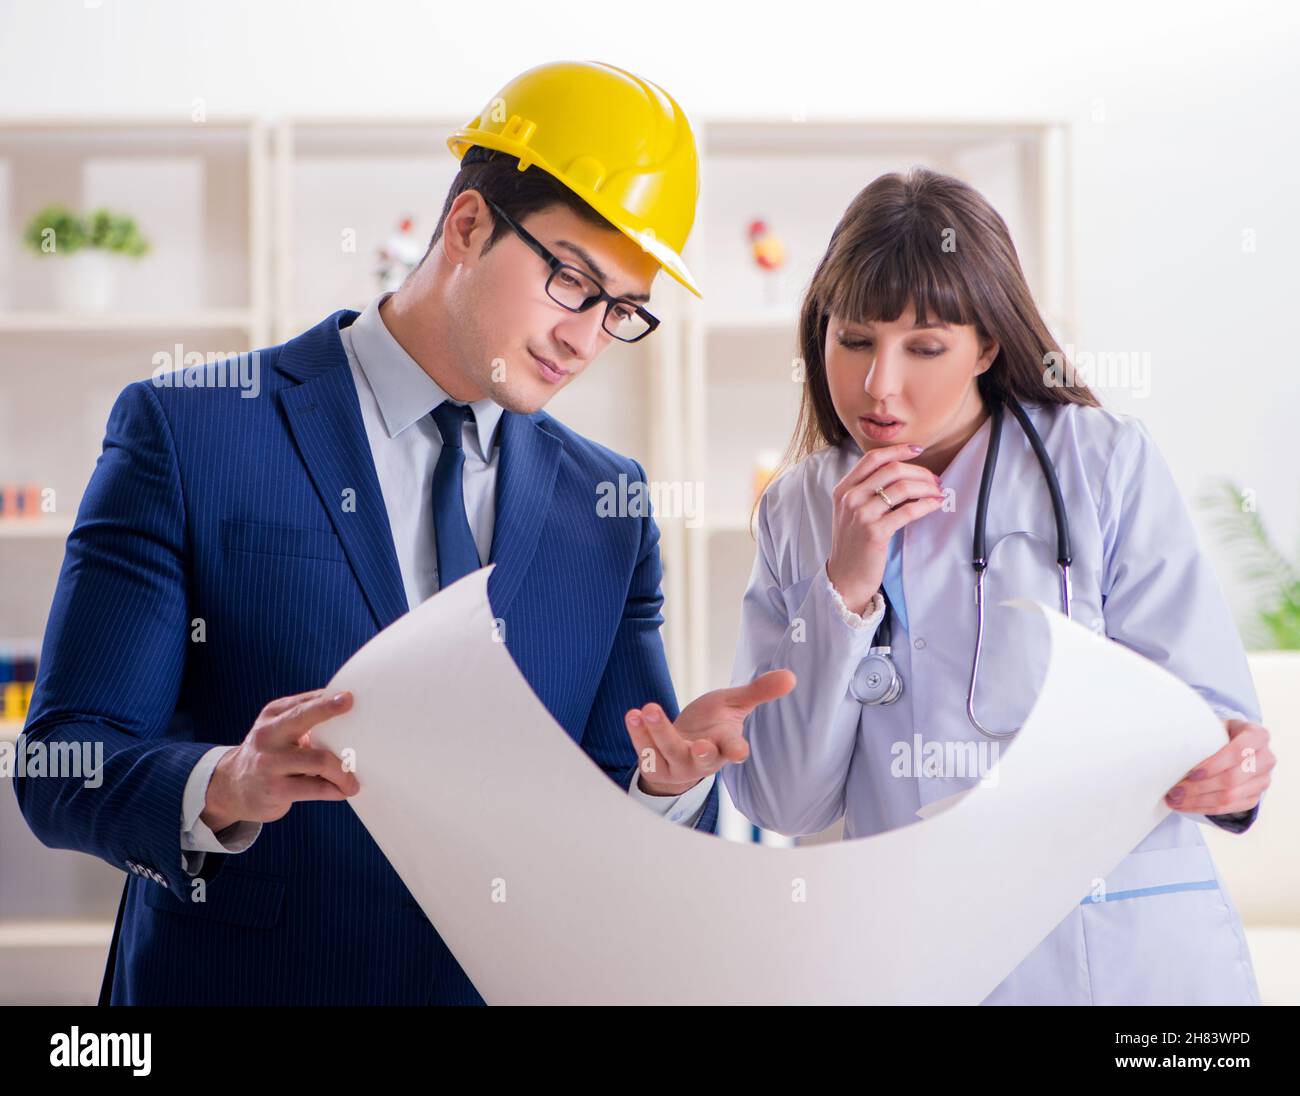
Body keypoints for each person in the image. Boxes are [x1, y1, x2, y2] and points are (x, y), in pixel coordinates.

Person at [14, 60, 787, 1006]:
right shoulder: (192, 432)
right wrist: (225, 782)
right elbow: (65, 762)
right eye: (574, 282)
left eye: (622, 310)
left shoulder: (607, 504)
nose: (587, 338)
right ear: (467, 225)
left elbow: (611, 829)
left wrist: (666, 788)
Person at [625, 167, 1276, 1005]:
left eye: (925, 348)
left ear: (989, 345)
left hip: (1116, 959)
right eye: (853, 340)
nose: (878, 384)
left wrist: (1229, 764)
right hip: (913, 962)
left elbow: (1210, 715)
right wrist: (844, 587)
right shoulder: (795, 511)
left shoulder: (1102, 461)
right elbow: (786, 801)